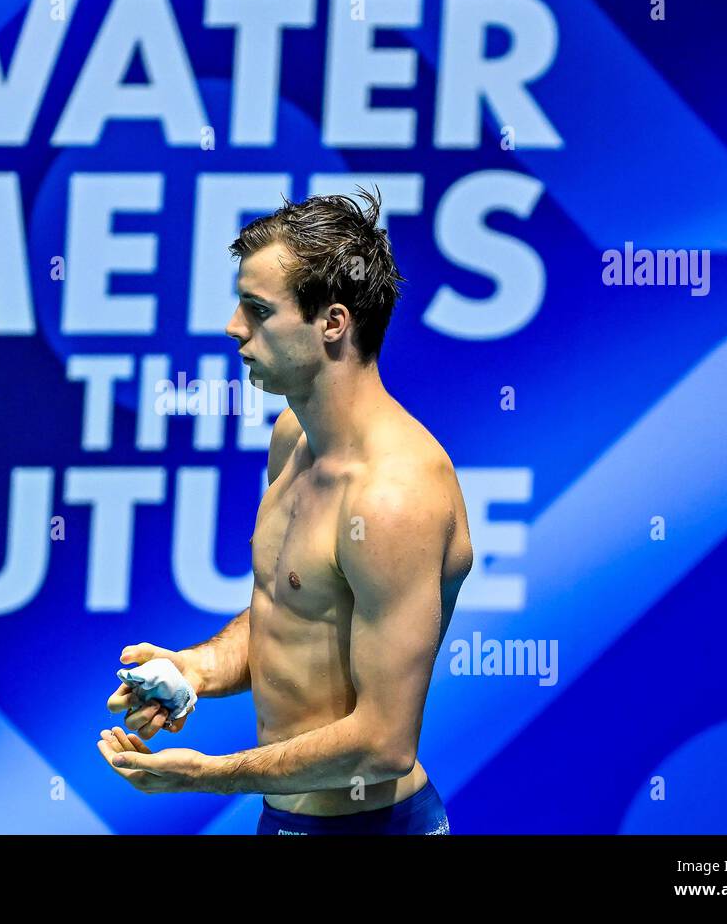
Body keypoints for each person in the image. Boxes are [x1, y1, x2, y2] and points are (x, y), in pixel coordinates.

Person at [98, 188, 473, 835]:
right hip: (285, 823)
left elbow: (384, 743)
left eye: (258, 310)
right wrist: (198, 668)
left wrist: (207, 776)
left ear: (332, 323)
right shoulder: (294, 439)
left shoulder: (393, 496)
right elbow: (292, 607)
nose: (233, 327)